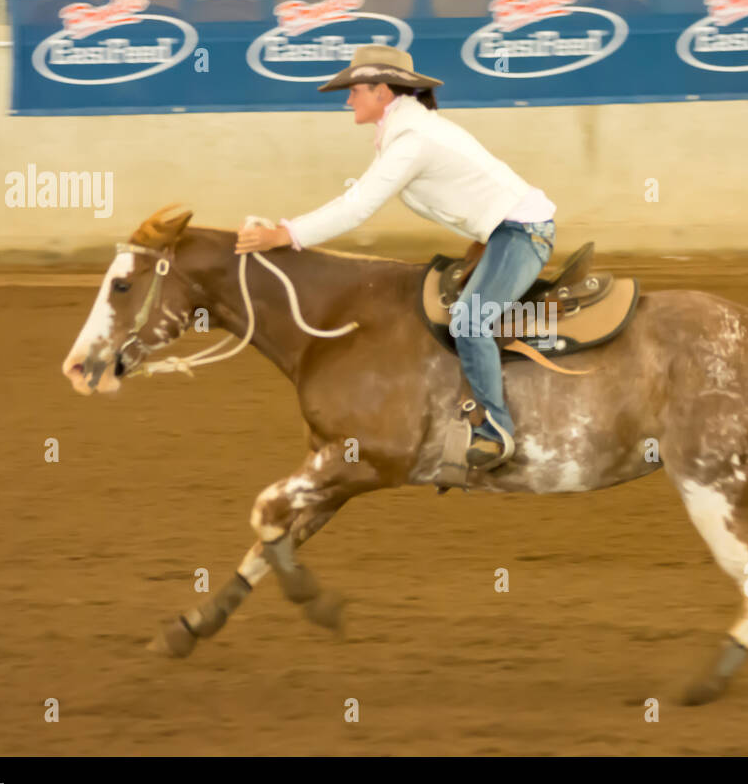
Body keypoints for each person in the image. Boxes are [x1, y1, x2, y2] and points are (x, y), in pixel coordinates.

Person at [235, 45, 556, 471]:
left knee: (469, 318)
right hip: (505, 231)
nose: (348, 99)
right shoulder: (409, 131)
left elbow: (357, 207)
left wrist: (286, 234)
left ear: (382, 92)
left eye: (354, 90)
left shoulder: (412, 140)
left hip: (519, 233)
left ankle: (497, 430)